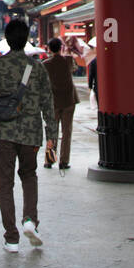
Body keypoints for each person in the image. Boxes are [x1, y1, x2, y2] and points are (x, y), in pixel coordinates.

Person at [0, 17, 57, 252]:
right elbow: (47, 101)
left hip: (4, 133)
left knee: (5, 184)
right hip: (31, 133)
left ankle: (11, 237)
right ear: (27, 39)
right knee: (29, 176)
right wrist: (52, 133)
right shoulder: (37, 67)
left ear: (7, 39)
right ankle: (30, 220)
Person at [43, 37, 79, 170]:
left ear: (49, 49)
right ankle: (64, 161)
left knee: (52, 130)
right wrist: (67, 51)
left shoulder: (45, 64)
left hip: (53, 101)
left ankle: (49, 160)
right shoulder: (68, 60)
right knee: (66, 131)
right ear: (60, 48)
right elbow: (74, 68)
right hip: (69, 99)